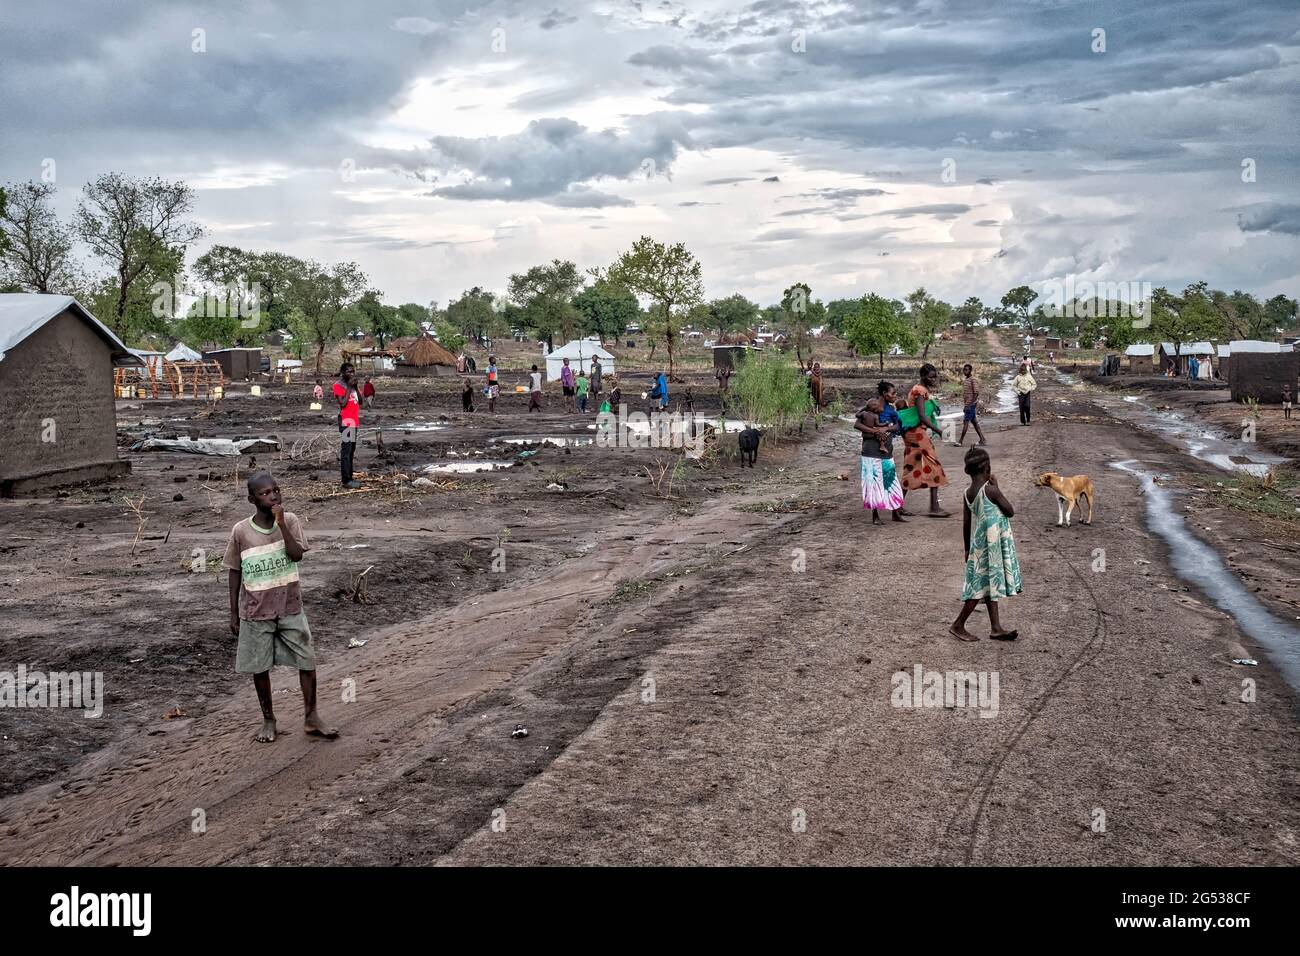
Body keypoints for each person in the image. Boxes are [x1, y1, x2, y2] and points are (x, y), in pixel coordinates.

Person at [224, 473, 338, 743]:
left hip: (289, 606)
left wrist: (281, 524)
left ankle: (311, 716)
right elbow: (234, 571)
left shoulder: (291, 521)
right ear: (252, 499)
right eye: (265, 493)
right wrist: (233, 612)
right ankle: (269, 719)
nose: (273, 496)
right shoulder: (241, 531)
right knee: (260, 668)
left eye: (276, 490)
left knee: (307, 660)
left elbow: (296, 554)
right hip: (255, 611)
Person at [950, 447, 1021, 642]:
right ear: (987, 468)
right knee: (979, 587)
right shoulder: (990, 490)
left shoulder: (967, 493)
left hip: (979, 544)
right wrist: (998, 487)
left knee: (989, 584)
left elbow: (966, 524)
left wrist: (966, 548)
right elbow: (1009, 511)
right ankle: (958, 624)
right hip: (991, 544)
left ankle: (996, 628)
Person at [901, 363, 950, 517]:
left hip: (911, 432)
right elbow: (922, 416)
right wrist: (938, 430)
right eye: (931, 377)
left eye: (935, 376)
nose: (934, 379)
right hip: (918, 433)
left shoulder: (917, 389)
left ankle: (897, 505)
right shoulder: (920, 391)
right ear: (923, 376)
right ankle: (934, 508)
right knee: (934, 466)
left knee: (911, 467)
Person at [855, 383, 906, 525]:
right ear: (884, 393)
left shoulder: (891, 410)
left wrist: (887, 429)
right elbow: (857, 424)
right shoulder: (870, 407)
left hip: (886, 450)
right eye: (893, 393)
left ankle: (895, 511)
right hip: (870, 450)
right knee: (873, 482)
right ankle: (875, 515)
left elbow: (898, 426)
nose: (895, 396)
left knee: (890, 480)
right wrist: (875, 431)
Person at [332, 362, 361, 489]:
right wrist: (349, 387)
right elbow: (342, 403)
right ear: (343, 373)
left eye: (353, 371)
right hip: (346, 422)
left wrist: (356, 387)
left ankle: (350, 476)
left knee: (351, 451)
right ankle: (346, 480)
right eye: (349, 371)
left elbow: (360, 401)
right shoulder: (338, 385)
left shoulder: (353, 385)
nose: (352, 374)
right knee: (346, 452)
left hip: (354, 422)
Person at [956, 363, 986, 447]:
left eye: (966, 369)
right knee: (974, 422)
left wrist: (970, 405)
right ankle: (982, 440)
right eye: (964, 369)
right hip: (968, 404)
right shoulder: (966, 380)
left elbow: (976, 393)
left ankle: (960, 441)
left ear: (970, 370)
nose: (965, 371)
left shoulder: (973, 380)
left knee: (966, 421)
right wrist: (966, 405)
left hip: (971, 405)